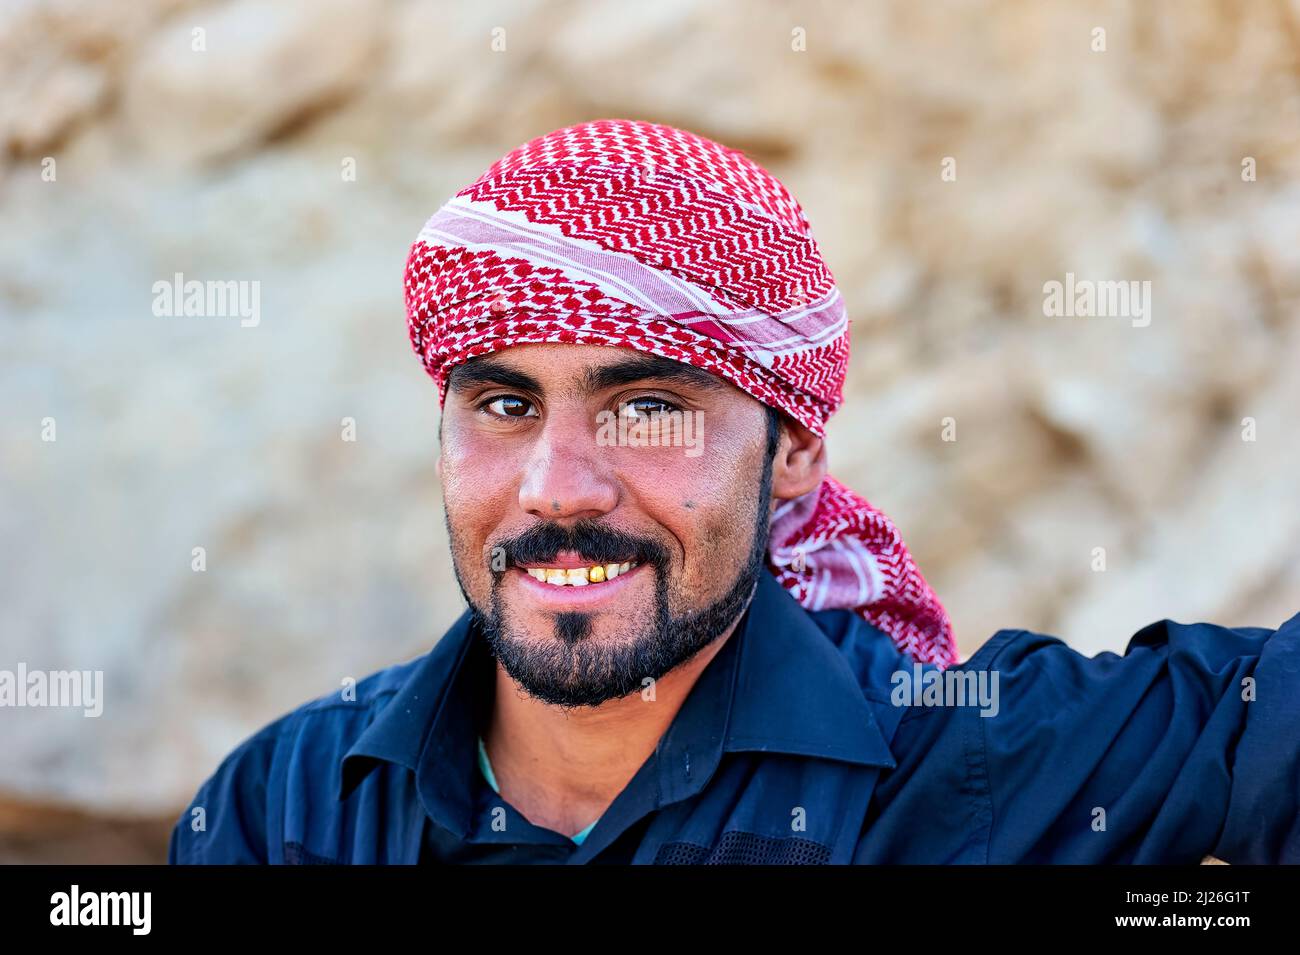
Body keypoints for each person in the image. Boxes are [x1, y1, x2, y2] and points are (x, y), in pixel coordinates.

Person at [169, 119, 1299, 864]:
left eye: (647, 407)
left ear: (795, 450)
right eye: (505, 405)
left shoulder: (965, 773)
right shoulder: (288, 808)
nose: (557, 487)